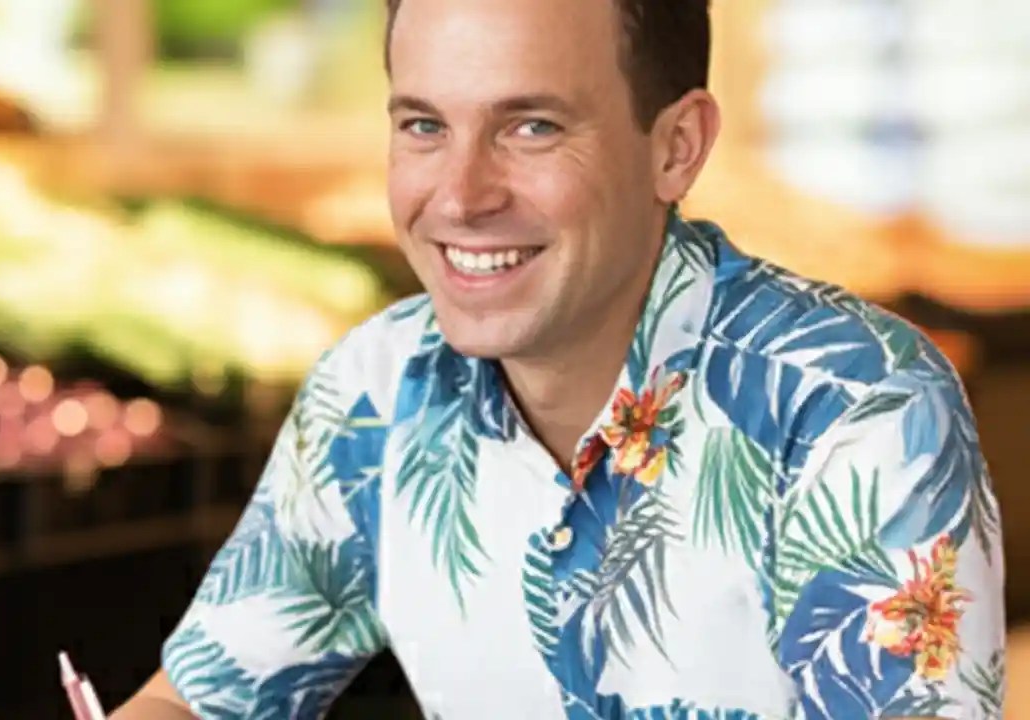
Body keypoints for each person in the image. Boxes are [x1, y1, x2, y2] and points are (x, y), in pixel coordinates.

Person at [111, 0, 1006, 717]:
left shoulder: (854, 408)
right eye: (424, 126)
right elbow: (197, 697)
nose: (460, 197)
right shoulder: (373, 390)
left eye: (531, 127)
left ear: (676, 147)